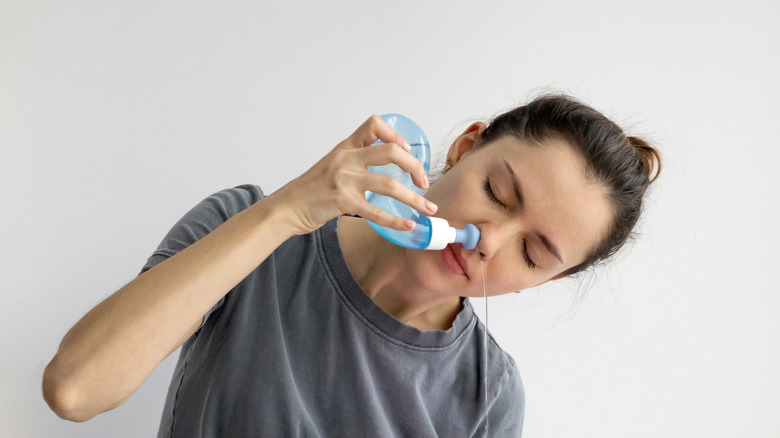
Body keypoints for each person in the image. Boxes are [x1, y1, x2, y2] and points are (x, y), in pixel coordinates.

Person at [42, 94, 661, 437]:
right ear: (465, 148)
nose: (488, 241)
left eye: (532, 254)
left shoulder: (488, 397)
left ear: (546, 281)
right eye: (498, 194)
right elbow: (75, 390)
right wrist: (287, 211)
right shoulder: (250, 228)